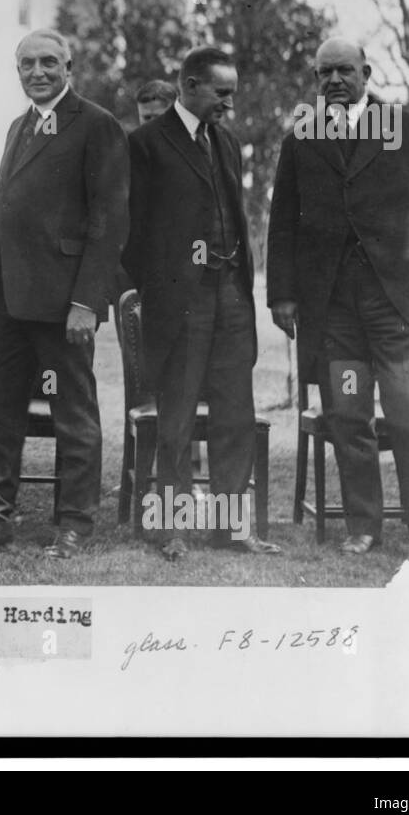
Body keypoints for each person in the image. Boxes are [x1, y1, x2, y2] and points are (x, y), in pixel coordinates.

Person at [267, 38, 409, 569]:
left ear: (366, 73)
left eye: (344, 71)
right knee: (347, 415)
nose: (333, 81)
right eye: (323, 73)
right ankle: (363, 526)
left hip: (396, 305)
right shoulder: (302, 137)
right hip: (334, 313)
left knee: (408, 412)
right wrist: (282, 294)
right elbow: (282, 219)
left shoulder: (407, 126)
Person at [0, 29, 127, 560]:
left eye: (49, 62)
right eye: (27, 64)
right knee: (2, 414)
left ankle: (74, 524)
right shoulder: (18, 126)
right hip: (8, 304)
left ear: (69, 66)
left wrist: (85, 303)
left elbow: (110, 222)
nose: (37, 72)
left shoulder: (97, 125)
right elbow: (6, 213)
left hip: (61, 306)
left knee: (74, 415)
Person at [123, 46, 280, 561]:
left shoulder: (227, 143)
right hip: (180, 304)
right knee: (178, 416)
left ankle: (231, 527)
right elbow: (133, 229)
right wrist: (157, 289)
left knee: (235, 412)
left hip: (231, 296)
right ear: (190, 86)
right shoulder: (146, 143)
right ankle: (170, 527)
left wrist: (240, 281)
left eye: (232, 93)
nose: (229, 104)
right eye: (222, 93)